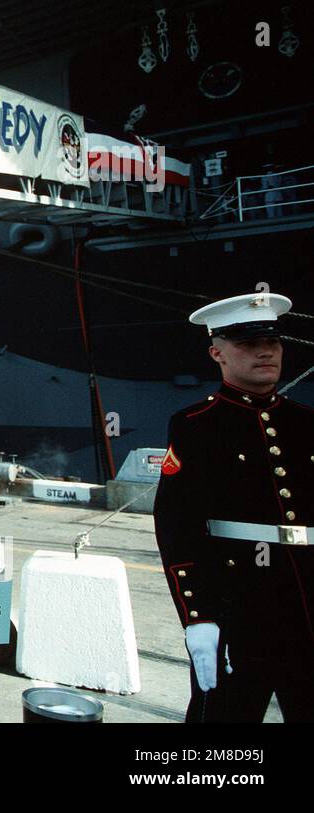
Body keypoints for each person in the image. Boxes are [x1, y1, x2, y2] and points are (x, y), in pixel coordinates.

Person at [153, 291, 314, 722]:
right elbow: (177, 524)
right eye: (246, 343)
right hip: (239, 608)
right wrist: (199, 617)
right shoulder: (196, 426)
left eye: (274, 342)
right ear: (217, 353)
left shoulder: (306, 423)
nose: (266, 351)